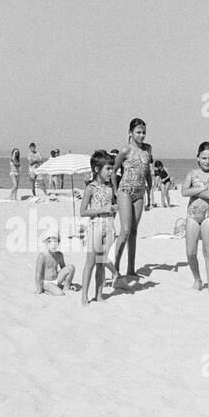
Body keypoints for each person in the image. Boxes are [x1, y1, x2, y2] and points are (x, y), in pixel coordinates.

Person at [112, 118, 152, 286]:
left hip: (139, 193)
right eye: (138, 132)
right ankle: (115, 267)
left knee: (134, 231)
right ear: (130, 133)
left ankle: (131, 269)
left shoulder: (148, 149)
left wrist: (150, 193)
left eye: (143, 132)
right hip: (125, 192)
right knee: (126, 230)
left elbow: (148, 172)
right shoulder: (125, 150)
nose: (141, 135)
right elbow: (113, 170)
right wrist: (115, 191)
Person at [182, 142, 209, 294]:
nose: (207, 161)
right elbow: (183, 192)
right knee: (191, 252)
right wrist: (203, 188)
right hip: (192, 215)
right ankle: (198, 279)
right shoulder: (192, 173)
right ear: (197, 157)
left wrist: (194, 190)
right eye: (204, 158)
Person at [78, 150, 117, 305]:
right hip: (95, 227)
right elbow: (83, 211)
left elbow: (111, 206)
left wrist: (113, 209)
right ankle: (84, 296)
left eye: (111, 168)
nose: (111, 172)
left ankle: (99, 294)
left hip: (108, 227)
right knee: (90, 263)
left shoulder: (109, 188)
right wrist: (103, 210)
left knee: (101, 262)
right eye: (107, 169)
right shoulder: (90, 188)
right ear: (96, 170)